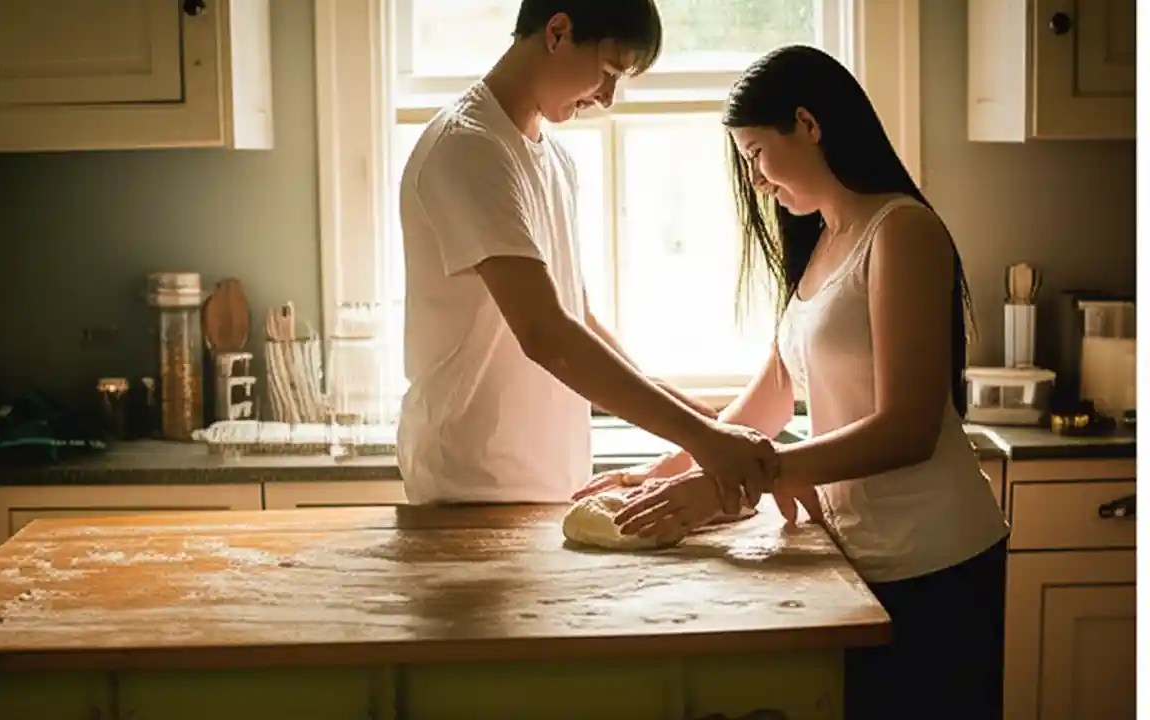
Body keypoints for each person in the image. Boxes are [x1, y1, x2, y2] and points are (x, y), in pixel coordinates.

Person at [583, 45, 1010, 719]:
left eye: (755, 154)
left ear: (808, 125)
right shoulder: (821, 241)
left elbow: (910, 429)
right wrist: (664, 471)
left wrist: (743, 478)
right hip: (861, 561)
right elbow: (768, 401)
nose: (755, 181)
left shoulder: (902, 231)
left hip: (936, 561)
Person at [396, 0, 777, 509]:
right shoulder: (469, 148)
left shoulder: (551, 159)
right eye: (606, 72)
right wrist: (703, 440)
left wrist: (706, 421)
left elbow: (578, 320)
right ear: (557, 32)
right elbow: (545, 333)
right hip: (471, 489)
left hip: (542, 487)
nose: (608, 98)